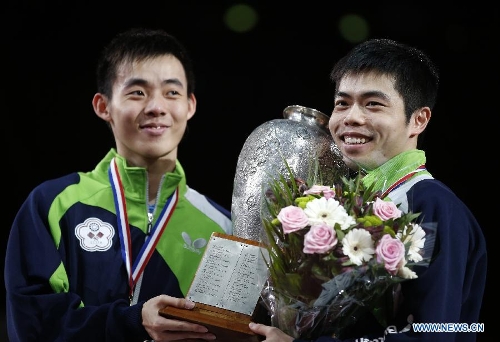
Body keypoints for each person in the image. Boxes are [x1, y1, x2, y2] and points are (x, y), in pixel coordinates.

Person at [249, 38, 487, 341]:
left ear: (418, 119)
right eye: (342, 103)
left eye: (373, 104)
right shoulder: (337, 203)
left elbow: (436, 333)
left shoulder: (433, 204)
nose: (352, 117)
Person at [4, 27, 232, 341]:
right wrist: (133, 321)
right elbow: (34, 326)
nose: (156, 106)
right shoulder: (52, 204)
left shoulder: (221, 226)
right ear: (103, 106)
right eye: (137, 92)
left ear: (190, 106)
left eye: (172, 92)